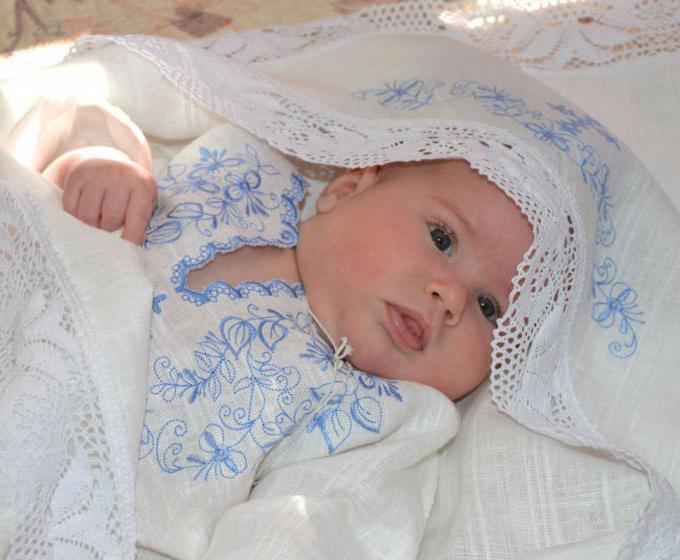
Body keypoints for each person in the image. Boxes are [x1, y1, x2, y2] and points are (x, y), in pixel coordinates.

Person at [3, 98, 532, 558]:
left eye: (491, 308)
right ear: (346, 190)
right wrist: (98, 166)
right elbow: (54, 142)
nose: (451, 298)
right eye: (442, 238)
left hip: (64, 512)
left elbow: (304, 533)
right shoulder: (245, 170)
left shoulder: (377, 419)